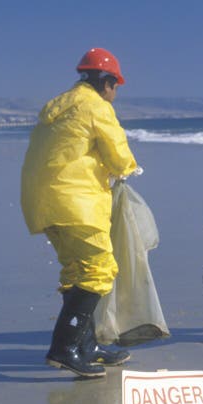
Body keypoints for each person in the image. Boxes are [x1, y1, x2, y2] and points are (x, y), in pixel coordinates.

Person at [21, 48, 139, 377]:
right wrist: (129, 169)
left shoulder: (57, 106)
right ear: (106, 82)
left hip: (42, 203)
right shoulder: (95, 107)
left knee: (75, 270)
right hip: (76, 203)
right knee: (99, 269)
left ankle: (86, 346)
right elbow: (119, 156)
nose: (115, 94)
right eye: (115, 86)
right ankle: (64, 348)